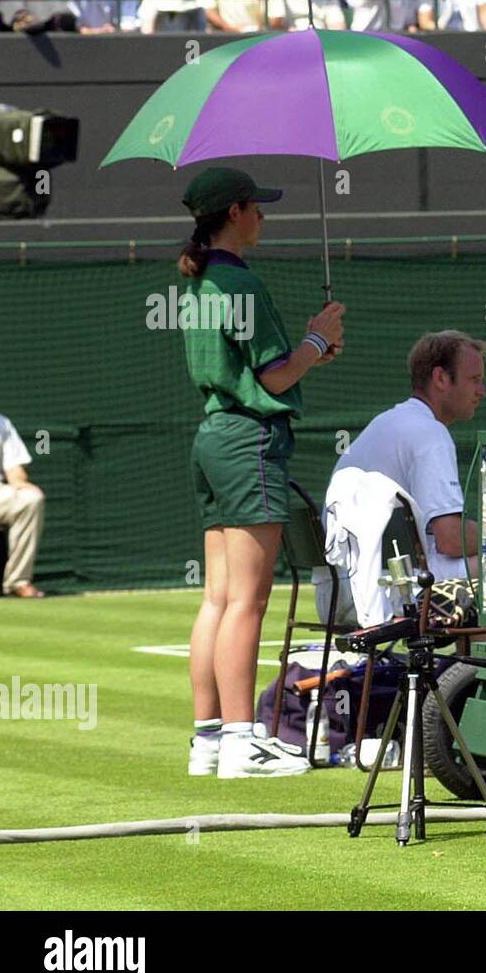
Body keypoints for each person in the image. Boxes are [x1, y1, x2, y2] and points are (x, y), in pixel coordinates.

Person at [178, 166, 345, 779]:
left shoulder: (200, 283)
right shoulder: (238, 284)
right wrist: (318, 342)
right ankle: (241, 742)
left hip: (214, 439)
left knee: (218, 598)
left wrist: (309, 348)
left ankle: (208, 740)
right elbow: (275, 376)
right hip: (247, 441)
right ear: (235, 214)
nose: (264, 216)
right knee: (246, 600)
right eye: (257, 207)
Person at [315, 330, 486, 625]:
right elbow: (451, 540)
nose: (482, 391)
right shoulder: (430, 434)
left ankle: (465, 669)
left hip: (337, 592)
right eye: (475, 380)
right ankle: (477, 669)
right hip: (389, 592)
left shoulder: (386, 423)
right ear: (441, 379)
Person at [0, 407, 46, 599]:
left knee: (30, 499)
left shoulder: (0, 423)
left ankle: (18, 581)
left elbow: (15, 472)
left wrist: (21, 483)